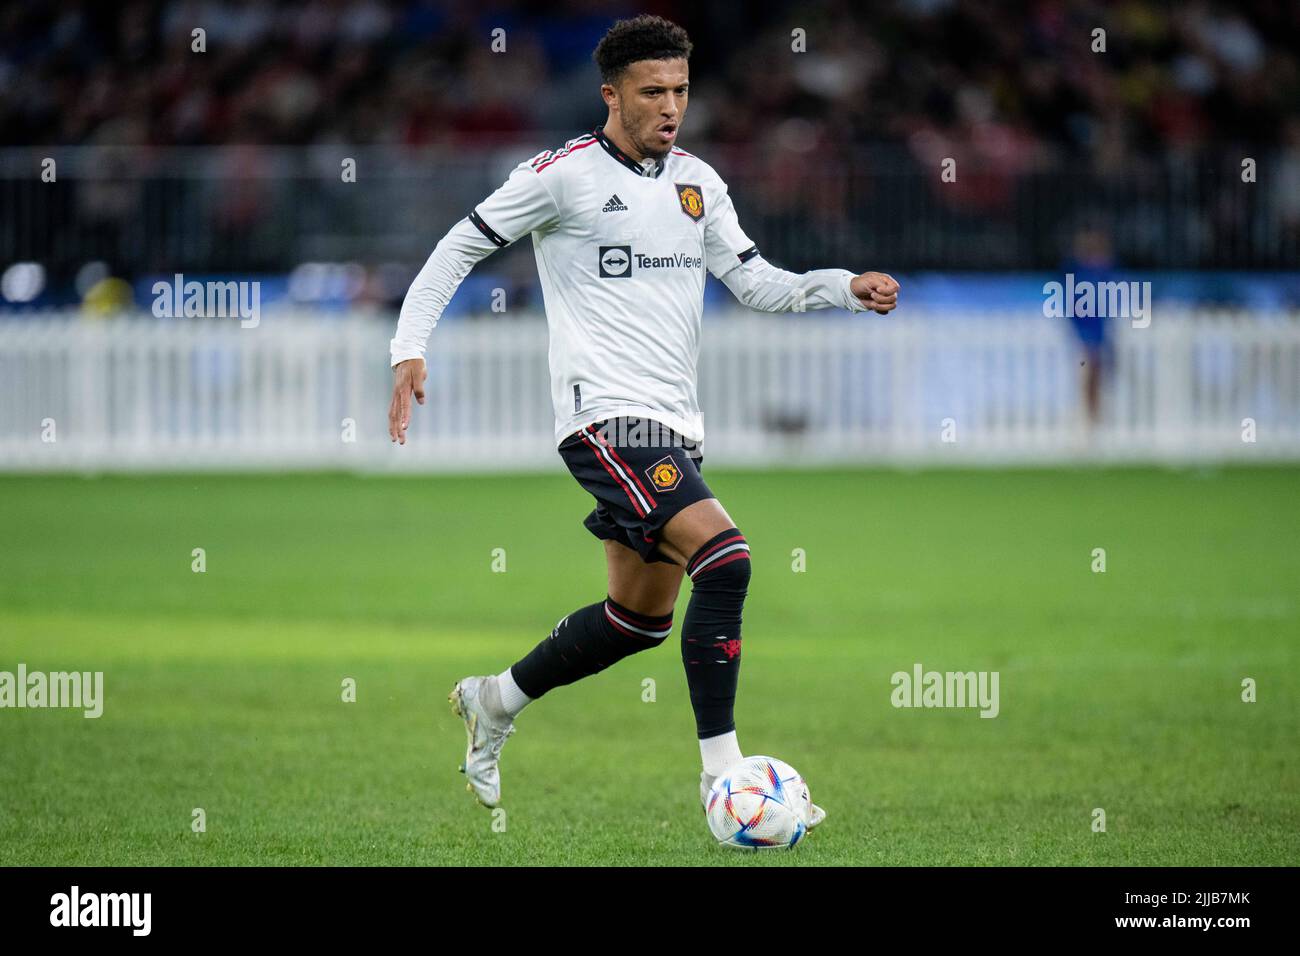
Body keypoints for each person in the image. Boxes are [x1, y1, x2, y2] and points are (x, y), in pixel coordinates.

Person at [387, 15, 898, 831]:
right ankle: (723, 779)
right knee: (726, 560)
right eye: (652, 92)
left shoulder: (698, 181)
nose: (670, 106)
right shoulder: (563, 176)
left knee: (638, 621)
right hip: (605, 420)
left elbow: (755, 282)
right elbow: (459, 245)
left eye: (681, 91)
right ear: (611, 94)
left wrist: (842, 285)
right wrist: (408, 347)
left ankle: (496, 699)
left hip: (673, 426)